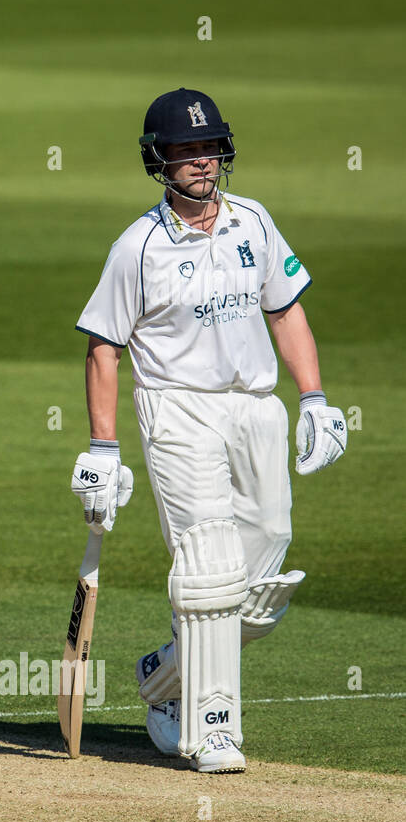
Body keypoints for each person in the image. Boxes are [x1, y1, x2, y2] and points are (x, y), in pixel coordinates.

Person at [71, 88, 347, 773]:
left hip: (254, 407)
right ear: (158, 159)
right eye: (185, 150)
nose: (199, 161)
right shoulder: (137, 248)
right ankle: (212, 727)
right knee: (210, 568)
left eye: (208, 147)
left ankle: (163, 678)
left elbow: (285, 312)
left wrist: (314, 399)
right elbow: (104, 347)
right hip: (178, 409)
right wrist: (103, 450)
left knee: (267, 558)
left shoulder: (254, 221)